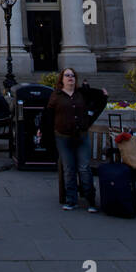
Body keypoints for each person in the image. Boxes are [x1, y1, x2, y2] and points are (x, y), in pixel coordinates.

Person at [44, 68, 107, 211]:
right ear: (62, 79)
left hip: (81, 136)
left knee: (84, 168)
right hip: (63, 137)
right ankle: (71, 200)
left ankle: (90, 200)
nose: (70, 77)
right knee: (69, 169)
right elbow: (48, 114)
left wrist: (90, 119)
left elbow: (97, 101)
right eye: (67, 75)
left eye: (72, 75)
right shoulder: (56, 95)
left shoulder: (81, 94)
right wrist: (43, 130)